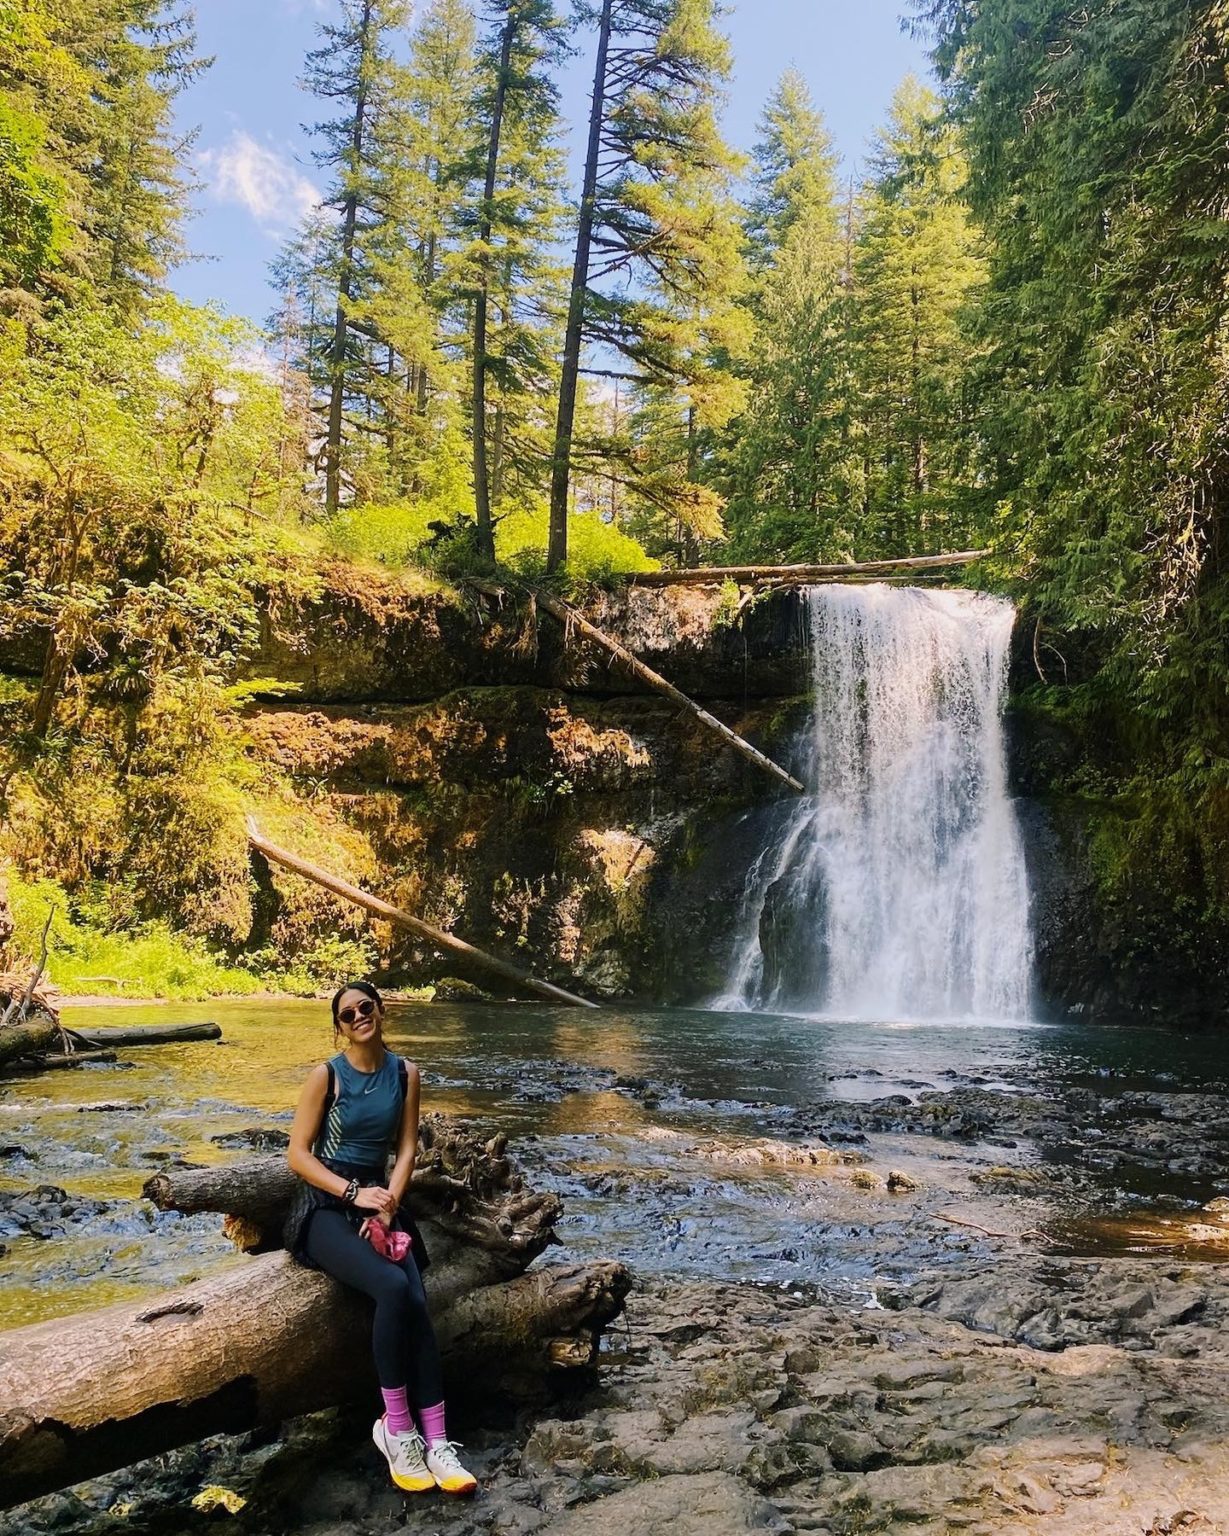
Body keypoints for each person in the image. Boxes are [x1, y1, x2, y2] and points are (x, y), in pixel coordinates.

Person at [285, 980, 477, 1497]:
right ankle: (397, 1430)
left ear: (381, 1010)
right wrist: (353, 1194)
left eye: (365, 1007)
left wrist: (388, 1204)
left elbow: (408, 1148)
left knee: (416, 1299)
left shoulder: (406, 1073)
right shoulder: (326, 1076)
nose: (359, 1017)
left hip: (381, 1203)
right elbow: (297, 1155)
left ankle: (437, 1441)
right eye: (348, 1014)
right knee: (393, 1290)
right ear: (339, 1028)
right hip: (325, 1207)